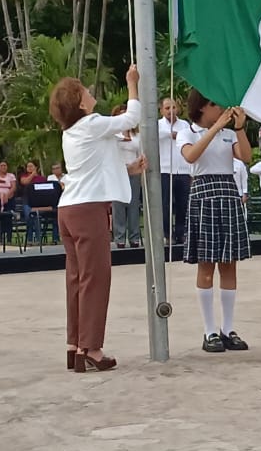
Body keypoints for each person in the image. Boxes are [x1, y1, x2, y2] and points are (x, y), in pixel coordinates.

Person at [51, 65, 143, 373]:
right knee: (96, 279)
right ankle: (91, 347)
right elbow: (131, 119)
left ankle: (75, 344)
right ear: (80, 102)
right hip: (88, 209)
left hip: (69, 208)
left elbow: (97, 164)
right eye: (87, 92)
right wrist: (132, 84)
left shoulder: (72, 132)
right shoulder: (92, 123)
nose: (92, 94)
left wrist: (128, 170)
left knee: (77, 279)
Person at [180, 91, 254, 353]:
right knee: (206, 265)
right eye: (214, 104)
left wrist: (239, 128)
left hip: (227, 191)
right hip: (204, 192)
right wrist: (215, 128)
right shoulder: (188, 131)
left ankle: (228, 328)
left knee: (229, 264)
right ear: (202, 107)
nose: (220, 108)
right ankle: (209, 330)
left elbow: (245, 156)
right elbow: (190, 157)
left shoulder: (228, 133)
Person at [158, 97, 191, 245]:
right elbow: (156, 136)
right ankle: (167, 234)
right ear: (161, 110)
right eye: (167, 108)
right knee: (165, 204)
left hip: (183, 170)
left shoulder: (184, 125)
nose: (171, 111)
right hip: (165, 170)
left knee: (182, 203)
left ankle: (181, 232)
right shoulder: (158, 125)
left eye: (173, 107)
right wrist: (170, 134)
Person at [112, 125, 146, 248]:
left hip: (134, 171)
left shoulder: (137, 136)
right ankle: (119, 238)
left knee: (133, 204)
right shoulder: (113, 136)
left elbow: (140, 153)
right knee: (118, 205)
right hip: (118, 171)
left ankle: (134, 237)